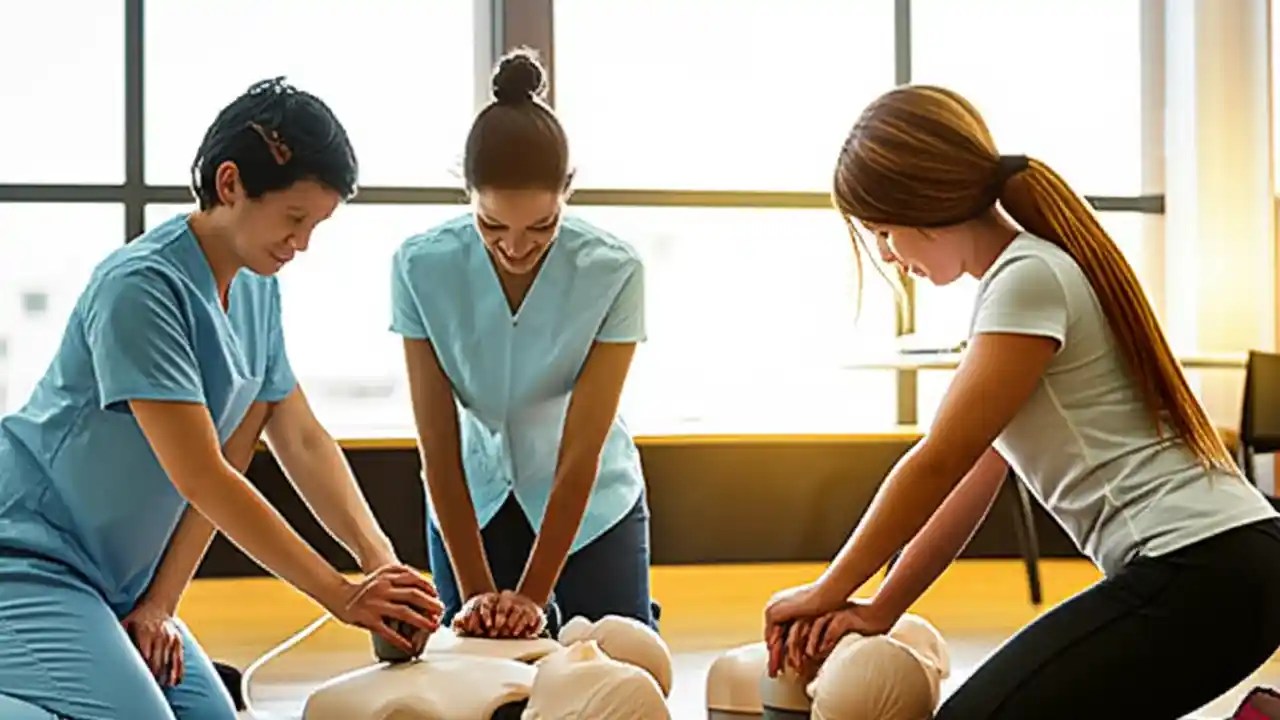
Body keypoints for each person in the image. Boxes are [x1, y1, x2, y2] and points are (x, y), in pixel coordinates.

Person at [762, 84, 1280, 719]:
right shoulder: (1030, 277)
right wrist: (878, 609)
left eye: (884, 231)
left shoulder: (1026, 279)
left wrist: (828, 588)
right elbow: (969, 485)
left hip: (1195, 573)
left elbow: (938, 461)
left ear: (923, 203)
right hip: (1226, 571)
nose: (890, 257)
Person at [0, 77, 442, 720]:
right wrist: (339, 597)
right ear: (230, 183)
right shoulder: (141, 289)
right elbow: (204, 476)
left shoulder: (258, 288)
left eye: (315, 225)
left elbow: (298, 439)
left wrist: (380, 564)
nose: (303, 245)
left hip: (114, 583)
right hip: (26, 562)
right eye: (294, 219)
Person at [390, 48, 656, 640]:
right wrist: (479, 591)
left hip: (590, 509)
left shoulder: (614, 269)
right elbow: (436, 445)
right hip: (472, 502)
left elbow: (580, 451)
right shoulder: (419, 266)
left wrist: (534, 596)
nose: (514, 247)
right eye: (492, 226)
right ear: (468, 196)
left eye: (541, 227)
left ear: (568, 192)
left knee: (616, 663)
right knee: (480, 679)